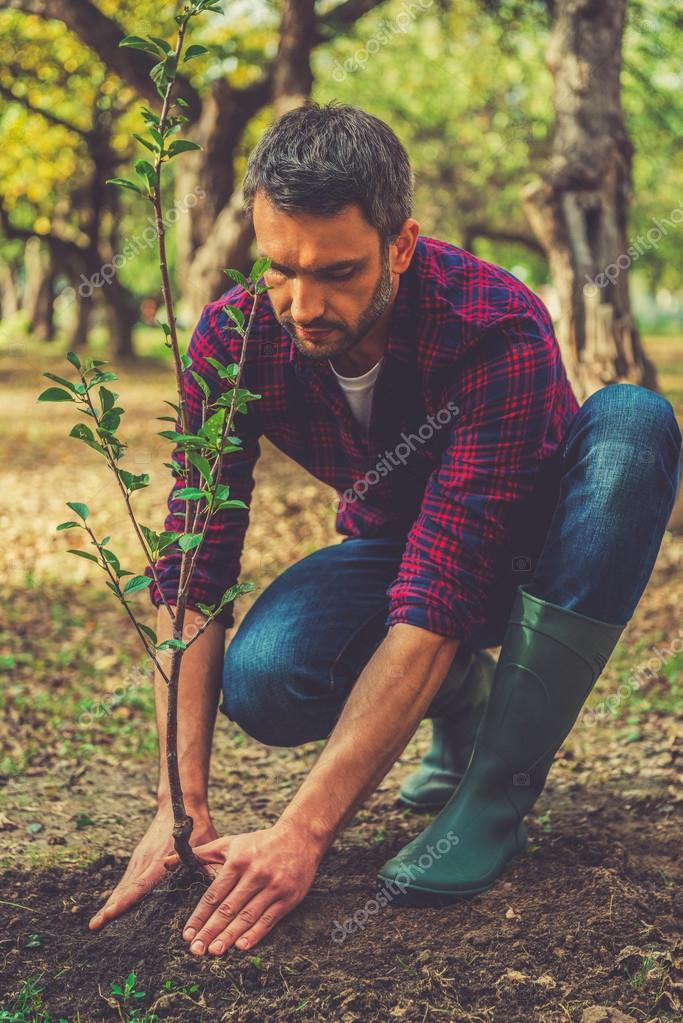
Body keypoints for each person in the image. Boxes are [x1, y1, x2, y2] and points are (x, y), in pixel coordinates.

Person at [89, 102, 681, 953]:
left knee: (633, 423)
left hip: (535, 553)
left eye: (337, 271)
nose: (302, 302)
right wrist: (177, 809)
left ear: (400, 245)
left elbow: (446, 586)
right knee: (264, 677)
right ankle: (462, 702)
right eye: (280, 268)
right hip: (394, 551)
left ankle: (492, 796)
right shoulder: (234, 337)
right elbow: (195, 567)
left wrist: (304, 833)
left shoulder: (494, 322)